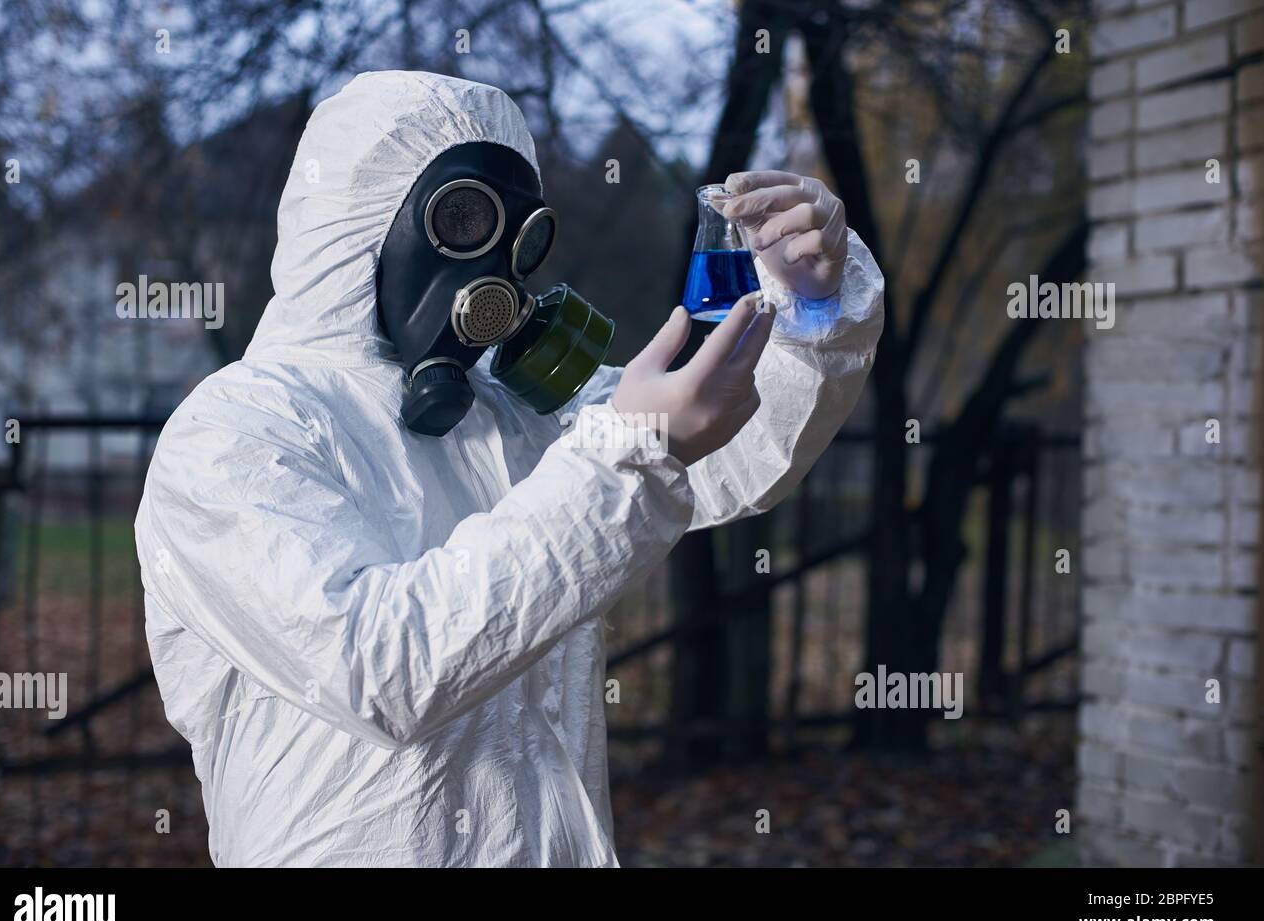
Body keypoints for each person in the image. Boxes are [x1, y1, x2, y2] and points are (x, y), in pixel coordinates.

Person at [134, 71, 884, 867]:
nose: (495, 264)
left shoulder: (513, 412)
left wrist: (810, 310)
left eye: (518, 234)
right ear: (357, 225)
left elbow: (733, 453)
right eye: (463, 219)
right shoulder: (236, 433)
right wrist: (632, 447)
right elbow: (382, 666)